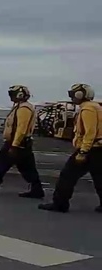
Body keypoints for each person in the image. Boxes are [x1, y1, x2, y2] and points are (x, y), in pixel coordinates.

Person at [38, 83, 102, 213]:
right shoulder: (95, 106)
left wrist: (83, 151)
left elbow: (90, 132)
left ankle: (60, 204)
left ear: (80, 95)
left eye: (73, 94)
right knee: (99, 178)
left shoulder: (87, 109)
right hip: (98, 149)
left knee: (67, 176)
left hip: (90, 149)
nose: (72, 97)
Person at [0, 85, 44, 199]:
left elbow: (21, 128)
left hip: (17, 143)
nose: (11, 96)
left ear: (20, 95)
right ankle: (37, 190)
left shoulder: (24, 109)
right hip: (21, 143)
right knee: (27, 168)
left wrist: (14, 145)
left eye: (12, 94)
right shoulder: (20, 107)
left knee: (0, 164)